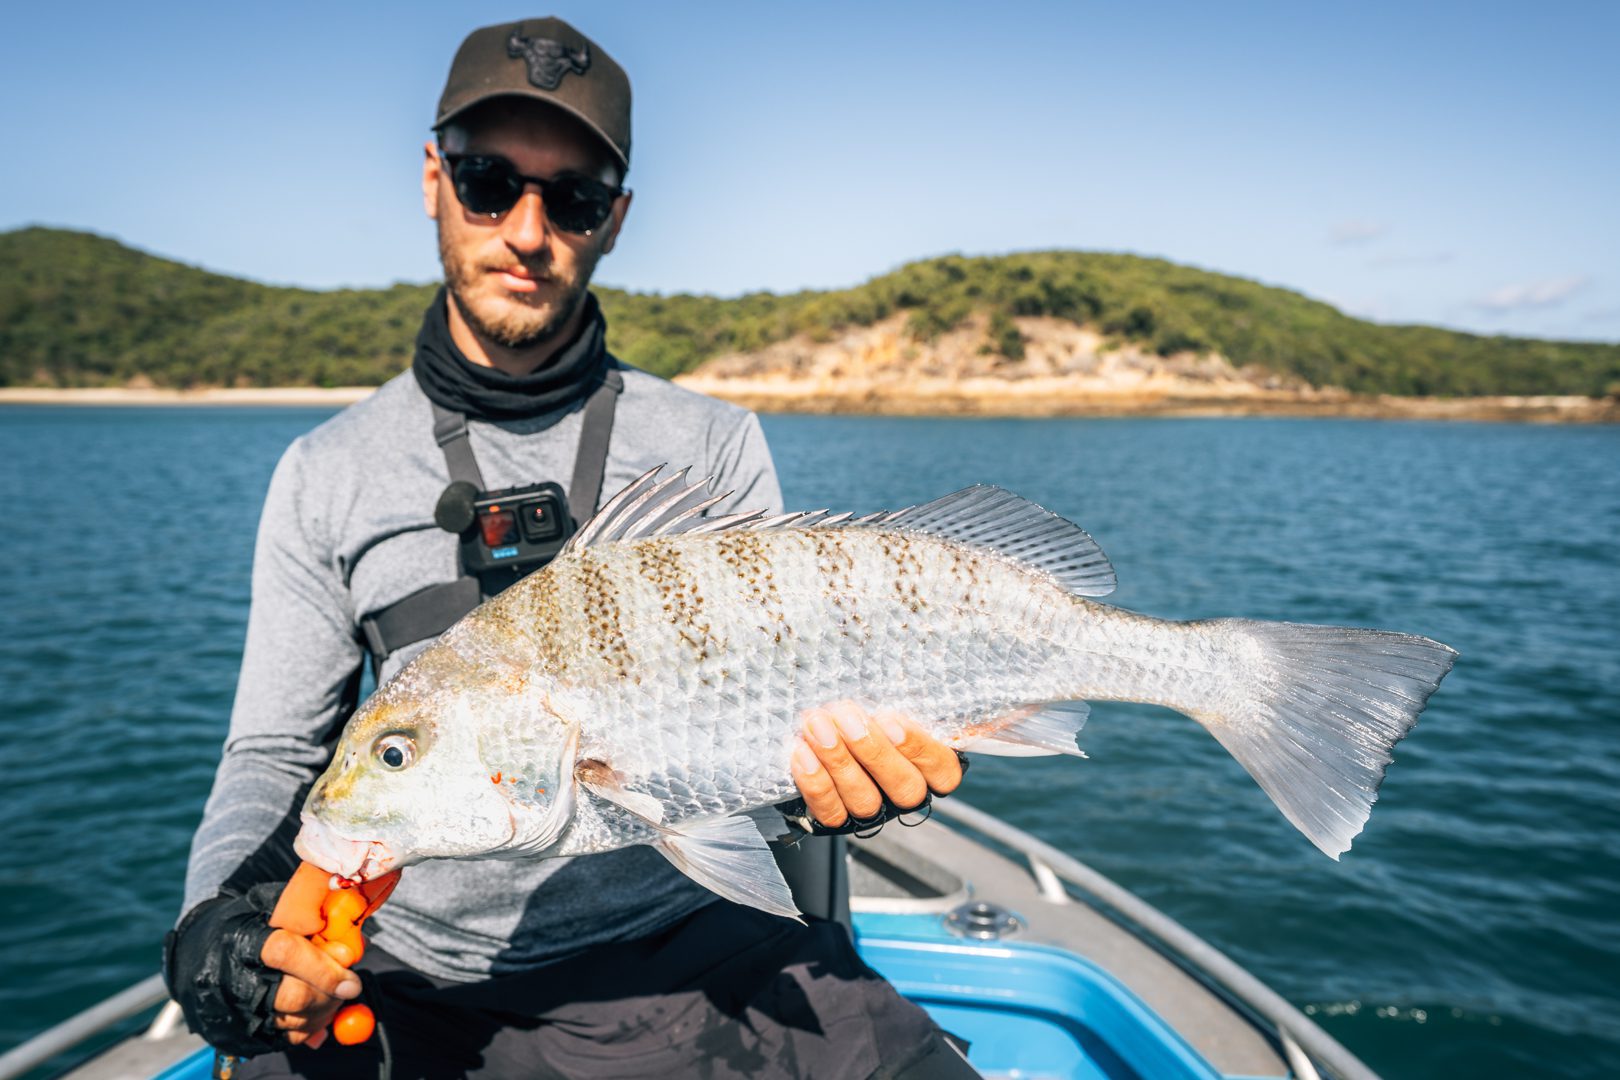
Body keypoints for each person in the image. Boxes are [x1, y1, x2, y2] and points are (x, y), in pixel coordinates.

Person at [163, 17, 977, 1079]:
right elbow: (275, 754)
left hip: (700, 947)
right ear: (433, 178)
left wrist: (833, 786)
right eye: (489, 180)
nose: (527, 231)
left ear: (616, 218)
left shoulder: (710, 442)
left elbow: (767, 726)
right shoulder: (328, 471)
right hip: (421, 978)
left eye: (576, 195)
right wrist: (216, 921)